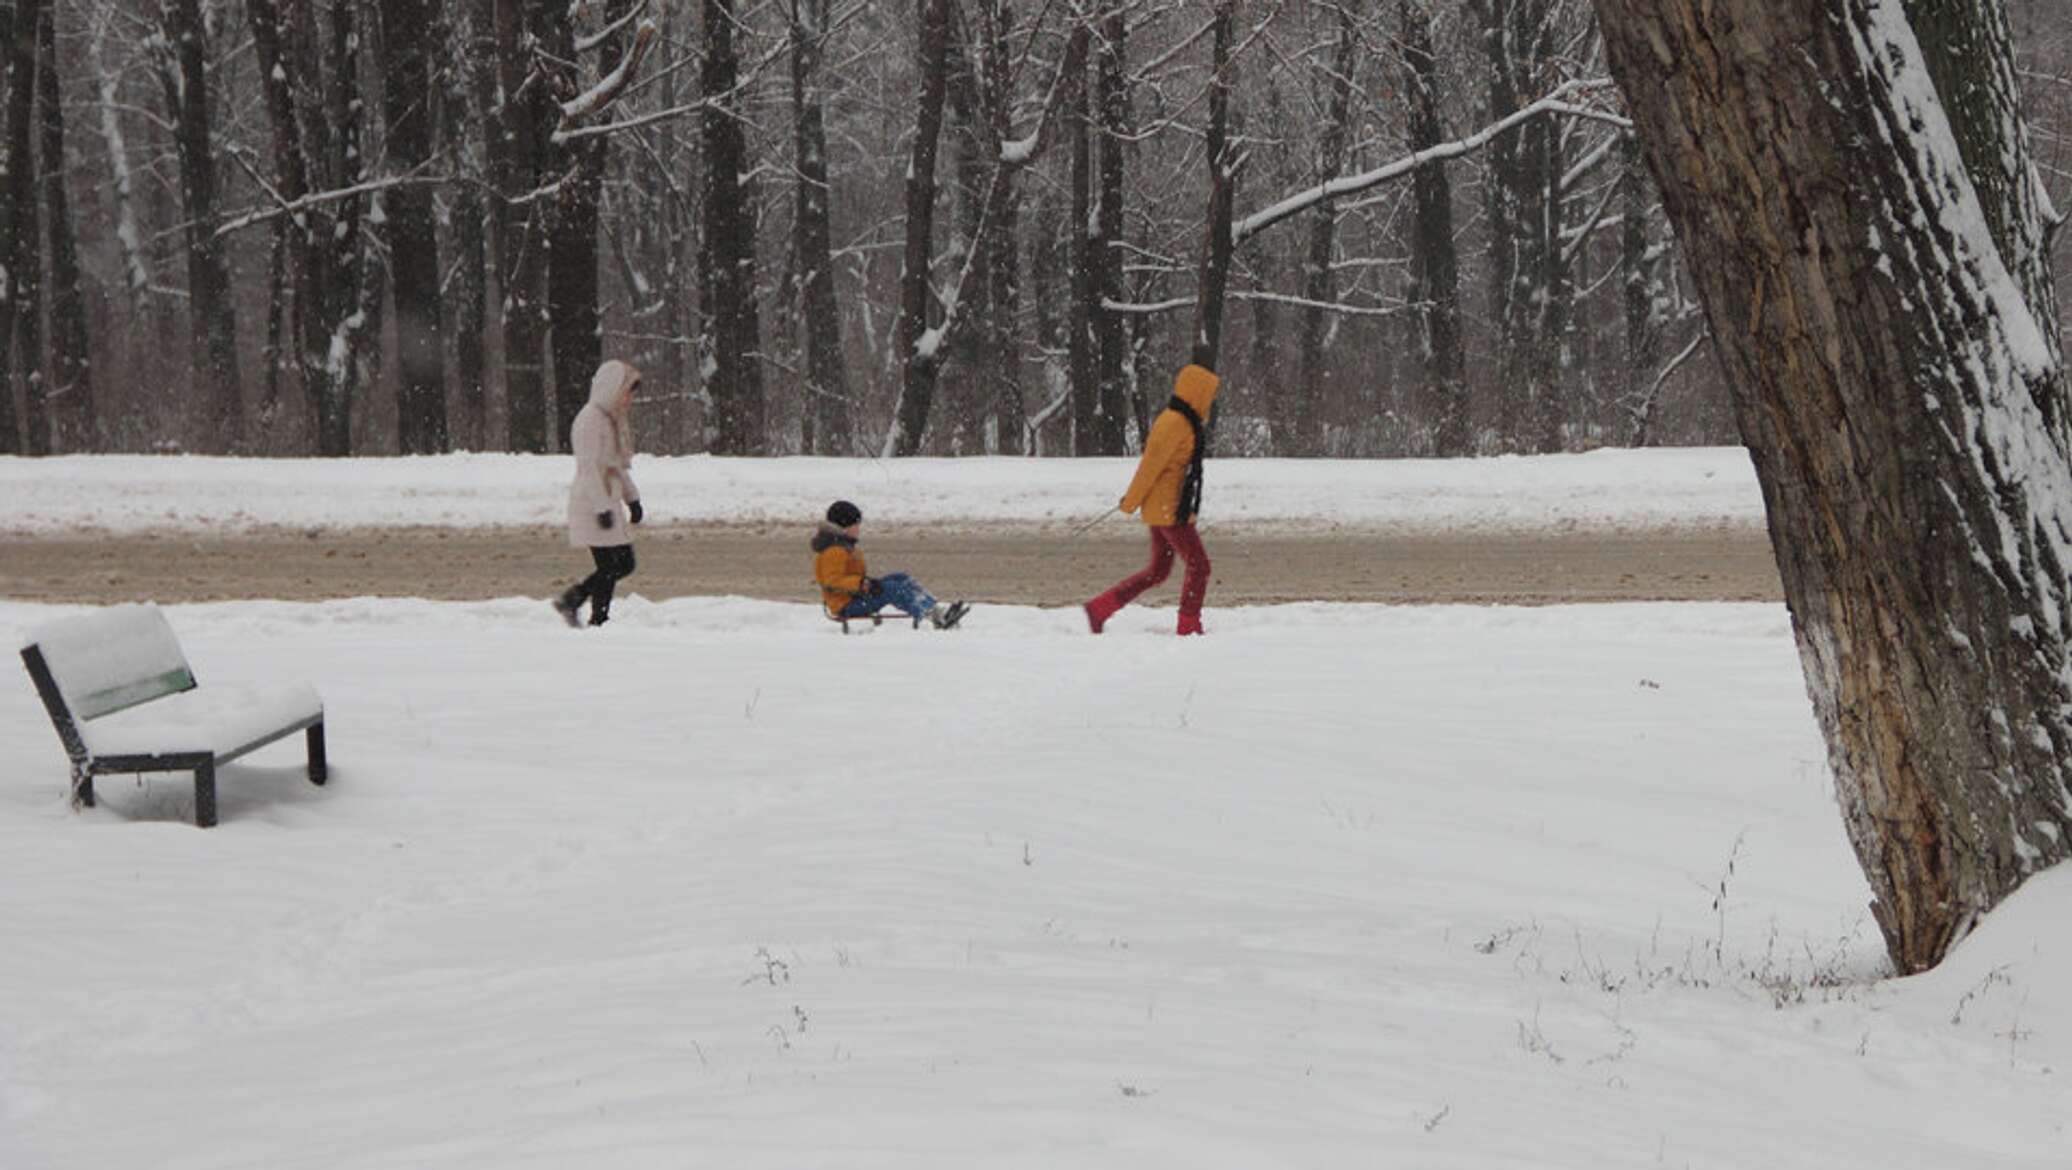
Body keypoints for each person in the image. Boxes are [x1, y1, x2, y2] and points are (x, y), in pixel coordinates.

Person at [1084, 363, 1220, 636]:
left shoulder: (1185, 421)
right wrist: (1130, 501)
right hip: (1169, 510)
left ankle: (1100, 608)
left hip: (1168, 507)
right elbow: (1150, 466)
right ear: (1197, 392)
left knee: (1158, 572)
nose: (1211, 401)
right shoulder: (1175, 424)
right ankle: (1189, 626)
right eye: (1208, 394)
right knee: (1199, 566)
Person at [553, 360, 646, 627]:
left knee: (623, 563)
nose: (630, 399)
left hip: (608, 502)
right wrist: (601, 507)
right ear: (612, 389)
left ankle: (577, 602)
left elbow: (615, 465)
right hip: (592, 503)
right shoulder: (589, 420)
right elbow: (589, 468)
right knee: (610, 565)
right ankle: (596, 617)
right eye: (627, 392)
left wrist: (632, 498)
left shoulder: (610, 420)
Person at [813, 500, 969, 629]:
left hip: (855, 596)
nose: (859, 529)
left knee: (900, 578)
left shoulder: (844, 547)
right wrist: (862, 584)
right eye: (856, 525)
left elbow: (848, 576)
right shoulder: (834, 551)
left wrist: (866, 583)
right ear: (844, 527)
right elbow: (831, 581)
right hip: (846, 605)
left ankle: (934, 609)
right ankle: (932, 615)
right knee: (892, 589)